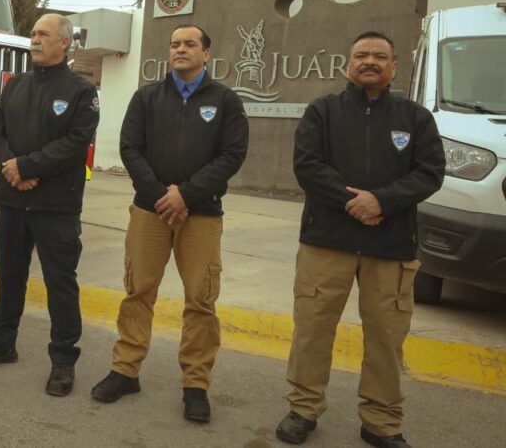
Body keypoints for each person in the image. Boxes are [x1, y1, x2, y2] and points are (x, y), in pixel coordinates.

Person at [275, 31, 444, 448]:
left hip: (390, 246)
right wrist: (356, 202)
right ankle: (303, 408)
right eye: (362, 55)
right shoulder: (322, 112)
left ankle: (381, 422)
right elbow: (308, 166)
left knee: (387, 337)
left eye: (380, 56)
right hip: (326, 240)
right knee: (313, 329)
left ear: (394, 66)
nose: (370, 61)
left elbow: (429, 172)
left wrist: (381, 201)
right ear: (348, 64)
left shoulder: (416, 118)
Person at [91, 24, 248, 424]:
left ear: (206, 53)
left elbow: (231, 155)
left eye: (189, 44)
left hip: (202, 214)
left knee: (200, 300)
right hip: (150, 211)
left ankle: (195, 385)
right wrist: (162, 195)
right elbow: (130, 148)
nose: (180, 49)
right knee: (138, 291)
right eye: (175, 44)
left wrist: (187, 194)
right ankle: (126, 371)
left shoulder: (225, 101)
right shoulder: (147, 97)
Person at [0, 13, 99, 396]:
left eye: (44, 34)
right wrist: (12, 167)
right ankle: (2, 342)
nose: (36, 39)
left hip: (57, 206)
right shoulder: (15, 84)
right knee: (9, 275)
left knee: (60, 283)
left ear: (65, 43)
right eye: (34, 33)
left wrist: (27, 165)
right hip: (13, 200)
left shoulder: (81, 91)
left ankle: (63, 360)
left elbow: (76, 141)